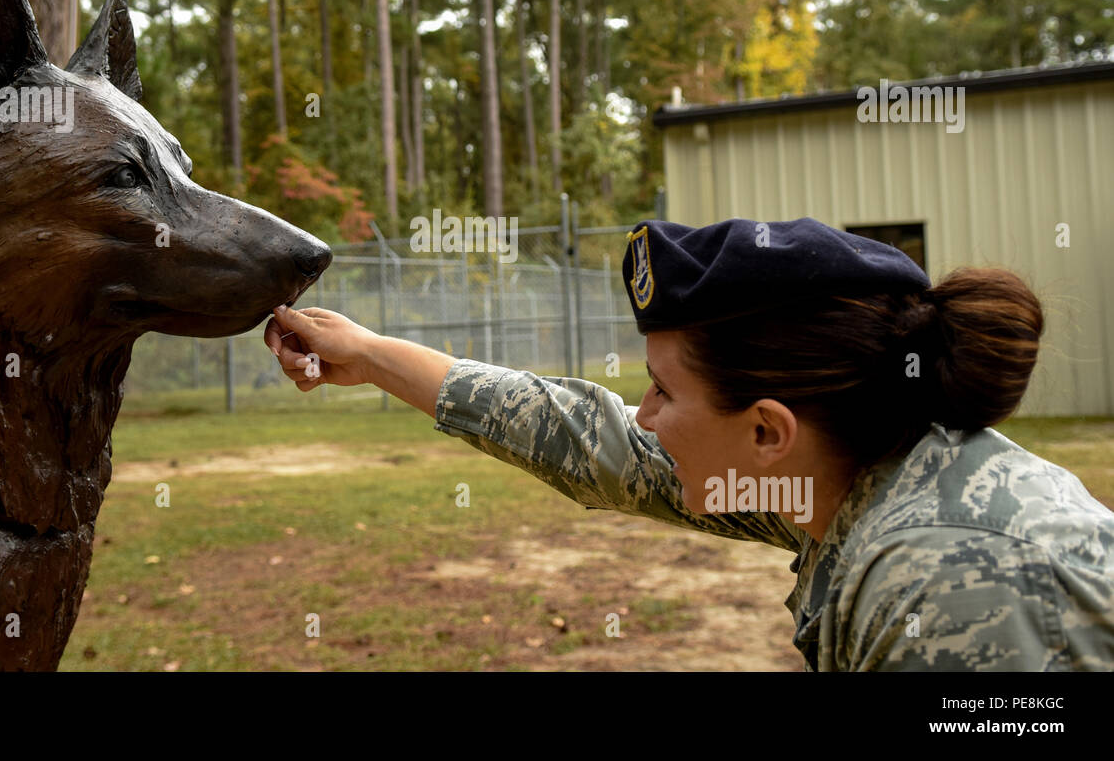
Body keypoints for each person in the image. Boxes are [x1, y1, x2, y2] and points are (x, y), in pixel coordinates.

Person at [263, 216, 1114, 671]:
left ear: (767, 432)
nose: (642, 417)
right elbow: (596, 445)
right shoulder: (851, 471)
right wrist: (373, 357)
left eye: (664, 392)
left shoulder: (954, 581)